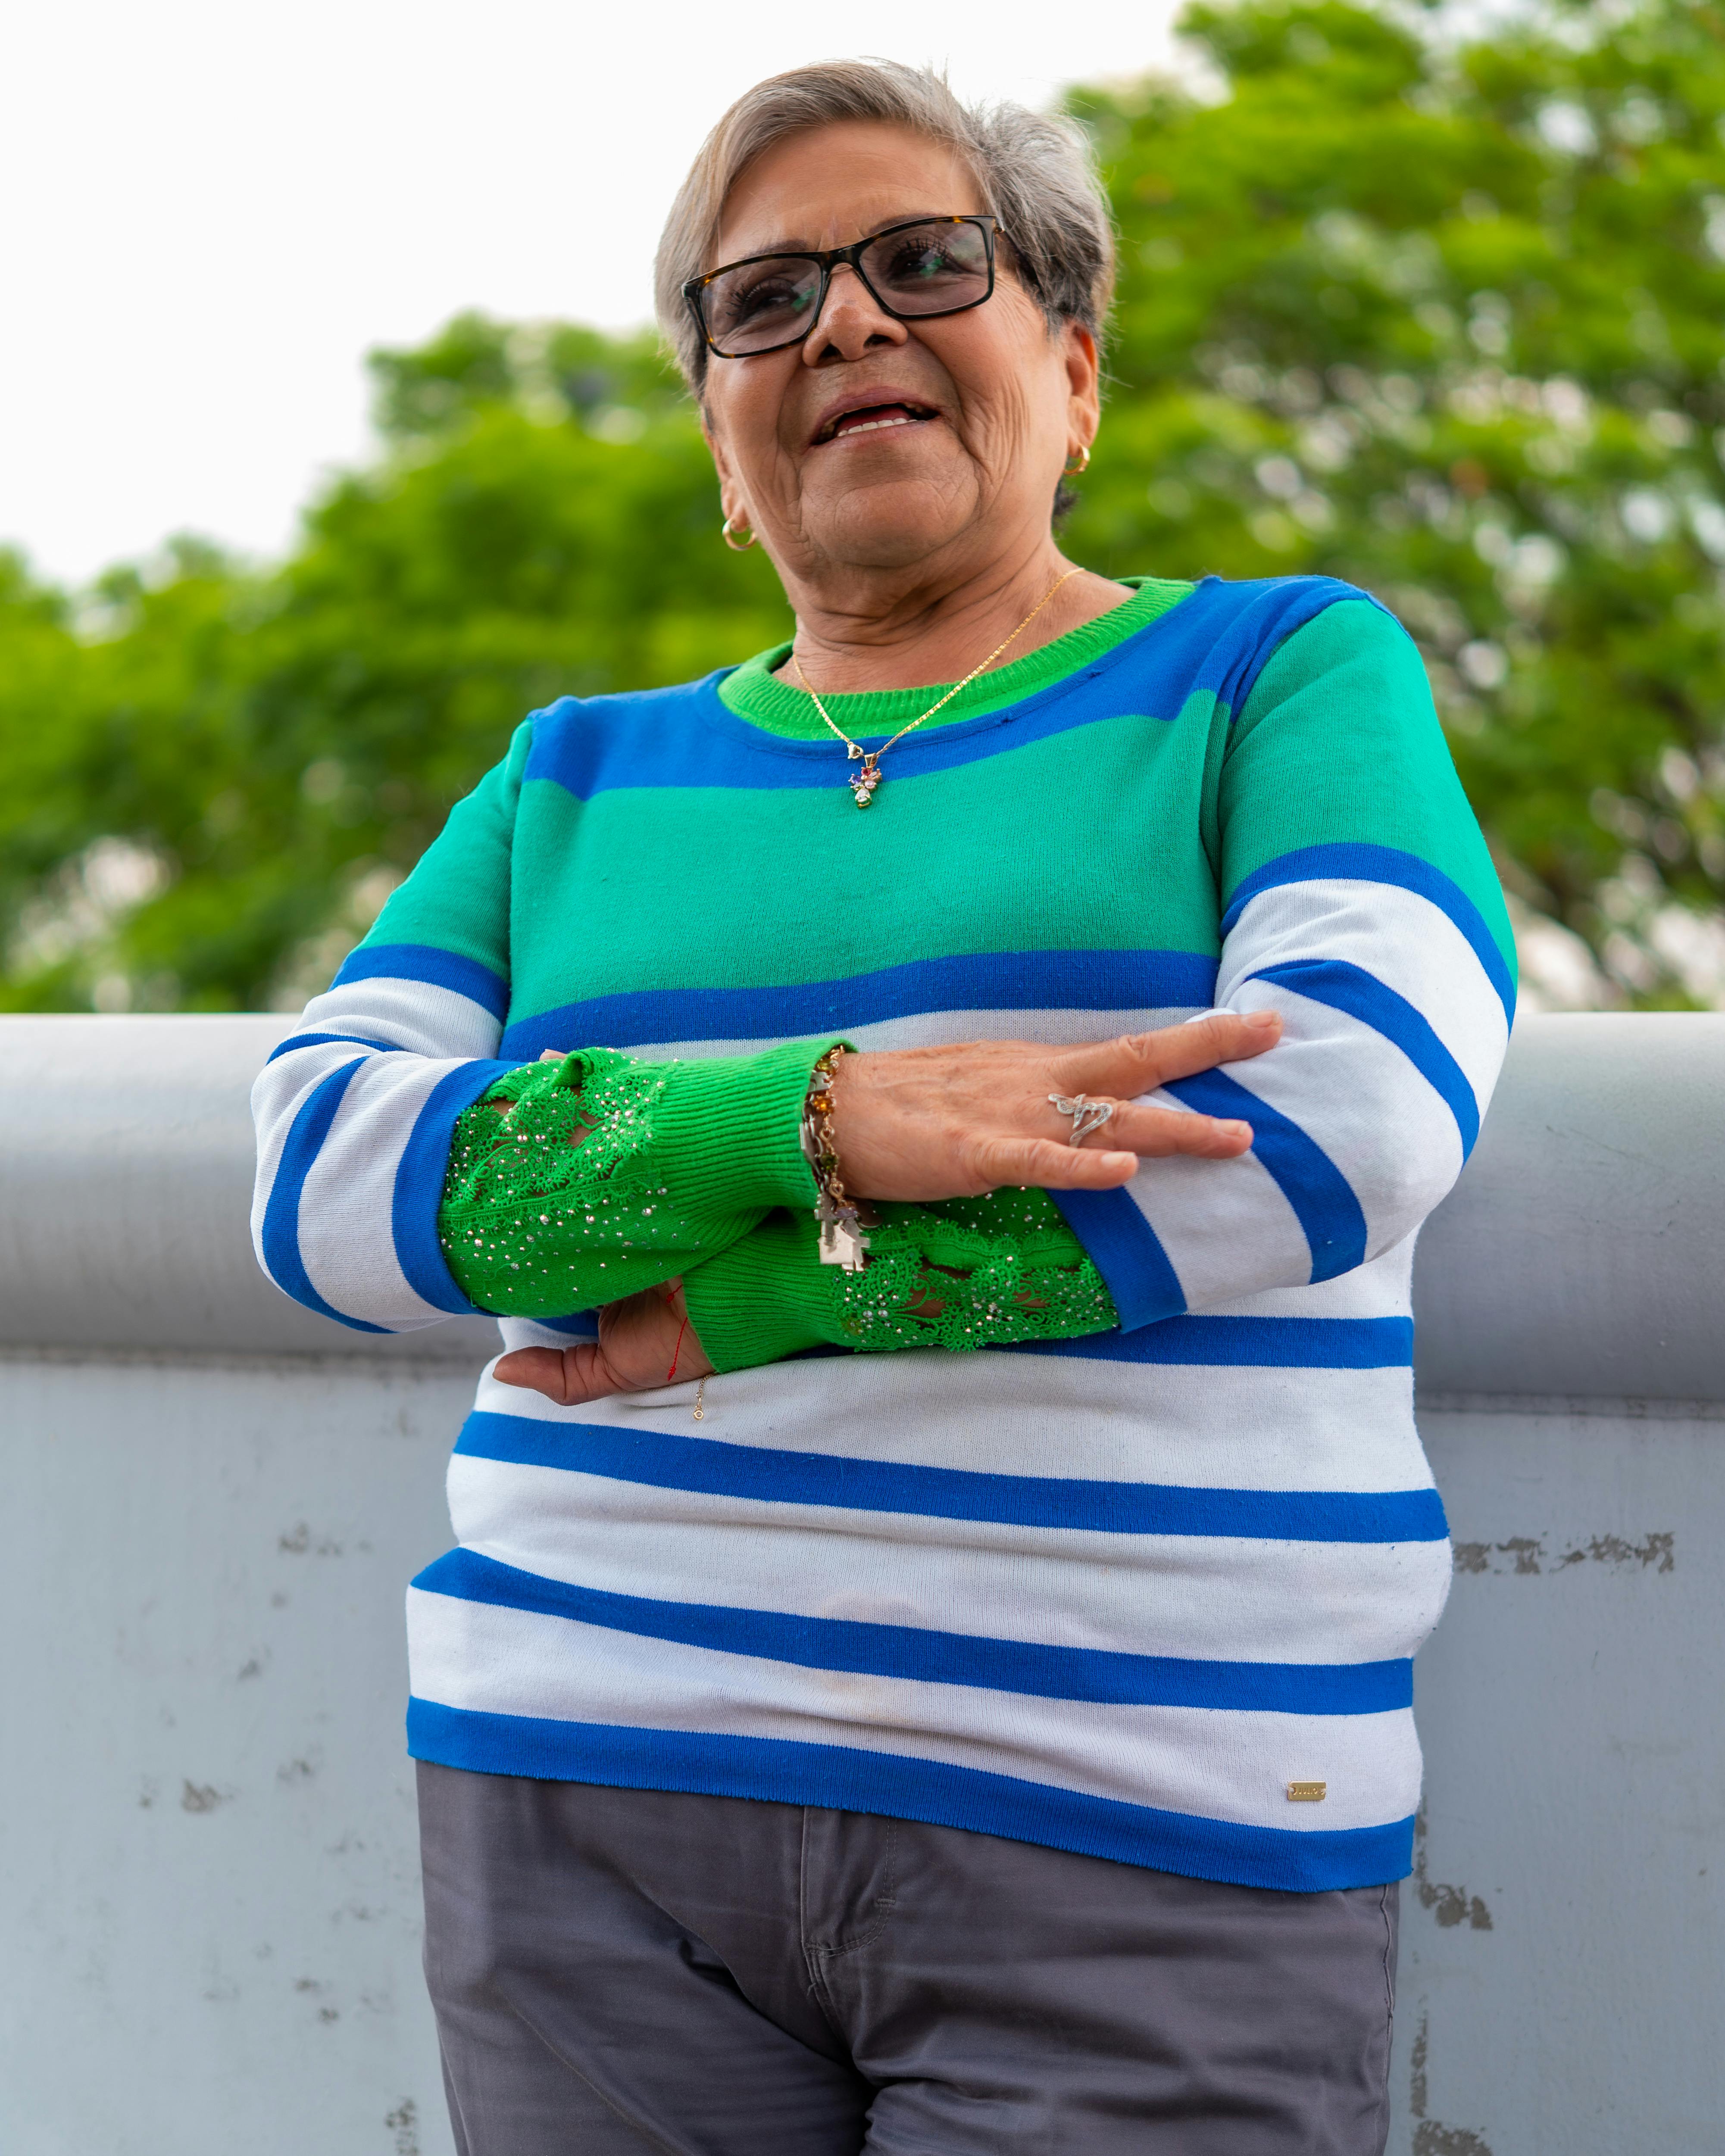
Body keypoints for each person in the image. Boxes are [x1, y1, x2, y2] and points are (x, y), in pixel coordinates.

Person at [251, 57, 1515, 2156]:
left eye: (927, 262)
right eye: (760, 302)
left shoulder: (1275, 676)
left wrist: (758, 1300)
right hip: (584, 1802)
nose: (844, 322)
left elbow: (1332, 1134)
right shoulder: (569, 773)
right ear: (723, 458)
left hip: (1139, 1809)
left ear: (1073, 372)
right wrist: (817, 1122)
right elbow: (320, 1178)